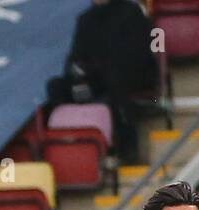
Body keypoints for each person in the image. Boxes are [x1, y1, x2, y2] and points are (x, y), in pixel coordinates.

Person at [43, 0, 158, 165]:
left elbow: (138, 52)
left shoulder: (131, 12)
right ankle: (64, 145)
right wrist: (77, 75)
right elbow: (76, 55)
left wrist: (100, 69)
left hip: (130, 75)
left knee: (114, 82)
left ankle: (128, 148)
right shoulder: (85, 19)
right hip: (94, 77)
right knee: (55, 86)